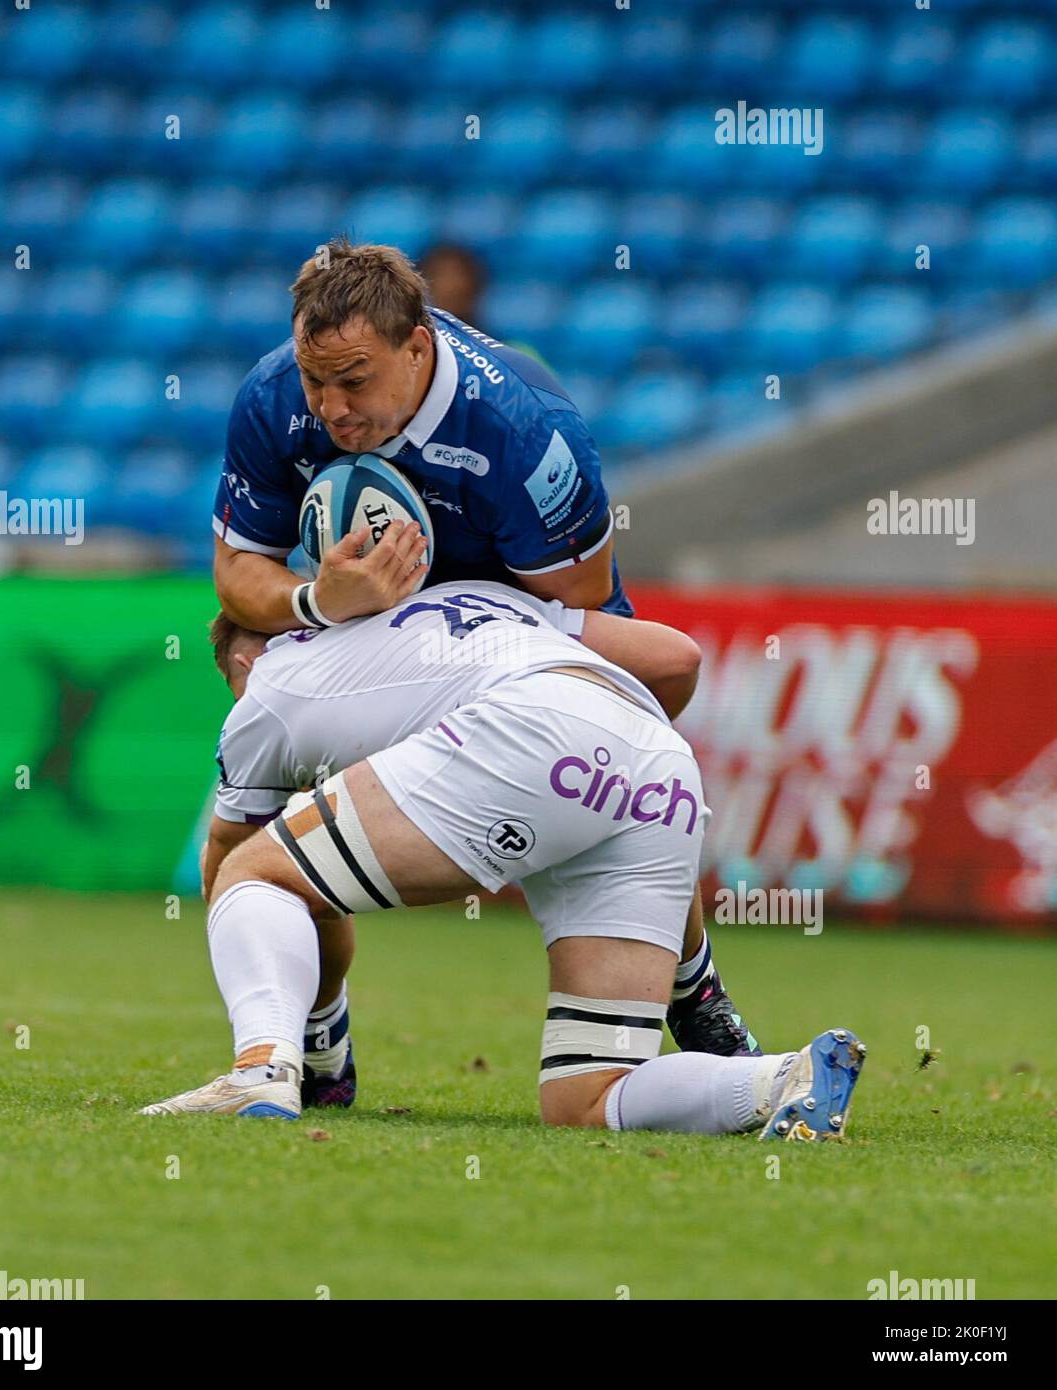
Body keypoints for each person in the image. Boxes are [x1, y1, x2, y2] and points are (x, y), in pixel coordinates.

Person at [211, 237, 759, 1095]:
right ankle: (315, 1043)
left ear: (418, 347)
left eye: (354, 380)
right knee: (249, 824)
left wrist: (427, 618)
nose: (331, 408)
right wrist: (324, 607)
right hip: (356, 616)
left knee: (652, 677)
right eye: (318, 379)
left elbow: (578, 607)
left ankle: (693, 982)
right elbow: (239, 574)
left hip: (509, 623)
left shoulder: (527, 433)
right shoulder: (274, 395)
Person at [141, 583, 865, 1141]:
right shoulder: (483, 599)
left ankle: (262, 1068)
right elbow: (675, 656)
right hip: (660, 762)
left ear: (242, 658)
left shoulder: (268, 685)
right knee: (586, 1099)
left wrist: (318, 1044)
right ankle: (783, 1080)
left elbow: (237, 866)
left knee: (255, 877)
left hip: (530, 732)